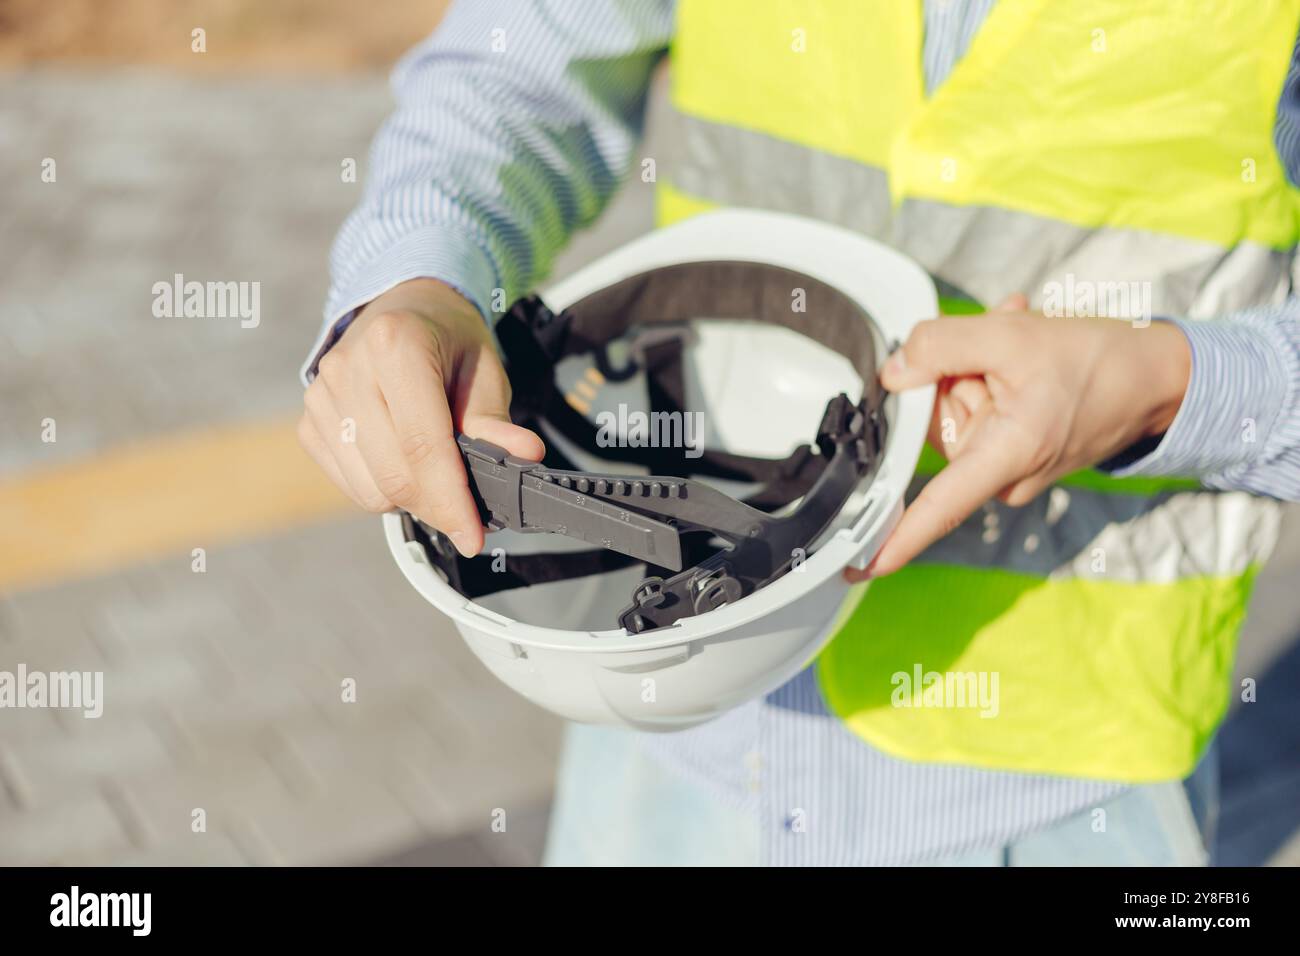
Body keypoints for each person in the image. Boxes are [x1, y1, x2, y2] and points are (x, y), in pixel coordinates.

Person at [298, 1, 1300, 865]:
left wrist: (1174, 386)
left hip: (1056, 793)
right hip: (667, 749)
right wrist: (418, 281)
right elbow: (512, 74)